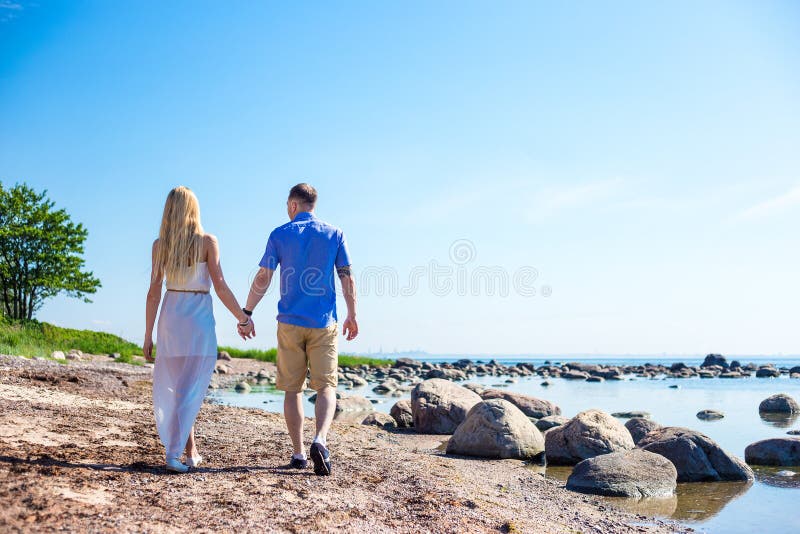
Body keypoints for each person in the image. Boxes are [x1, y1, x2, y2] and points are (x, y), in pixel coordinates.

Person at [239, 183, 357, 476]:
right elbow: (347, 277)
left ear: (293, 205)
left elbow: (264, 277)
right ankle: (321, 439)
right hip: (324, 322)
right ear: (312, 205)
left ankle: (299, 452)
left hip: (290, 322)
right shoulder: (334, 233)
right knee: (326, 386)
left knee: (292, 390)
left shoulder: (280, 234)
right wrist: (352, 314)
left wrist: (247, 311)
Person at [144, 186, 254, 473]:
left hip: (171, 316)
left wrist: (147, 335)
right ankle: (173, 454)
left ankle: (190, 451)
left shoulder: (160, 245)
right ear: (194, 209)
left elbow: (153, 292)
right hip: (197, 318)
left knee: (180, 386)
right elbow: (220, 286)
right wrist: (242, 317)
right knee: (188, 387)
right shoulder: (207, 241)